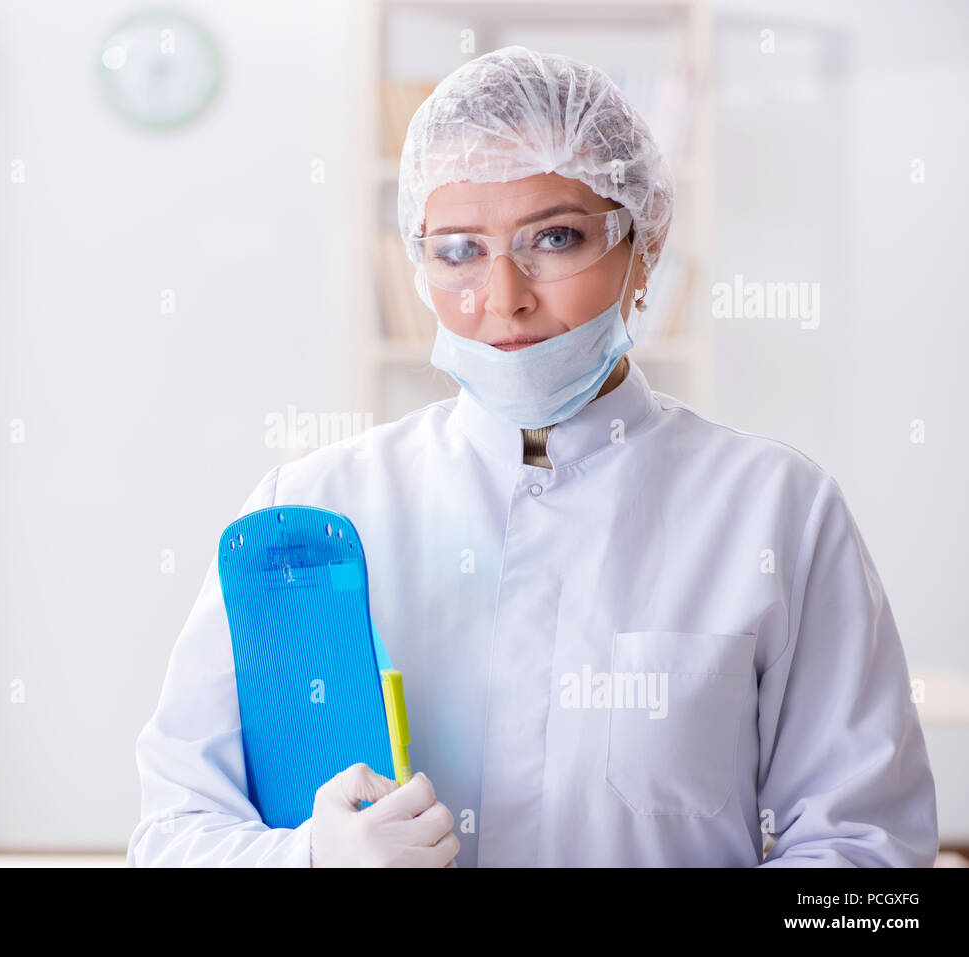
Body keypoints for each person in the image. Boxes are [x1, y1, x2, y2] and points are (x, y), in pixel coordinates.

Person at [127, 48, 938, 867]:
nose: (504, 294)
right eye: (458, 250)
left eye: (554, 238)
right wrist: (307, 859)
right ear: (416, 261)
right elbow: (170, 832)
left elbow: (868, 857)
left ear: (643, 247)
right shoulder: (312, 513)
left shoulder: (777, 510)